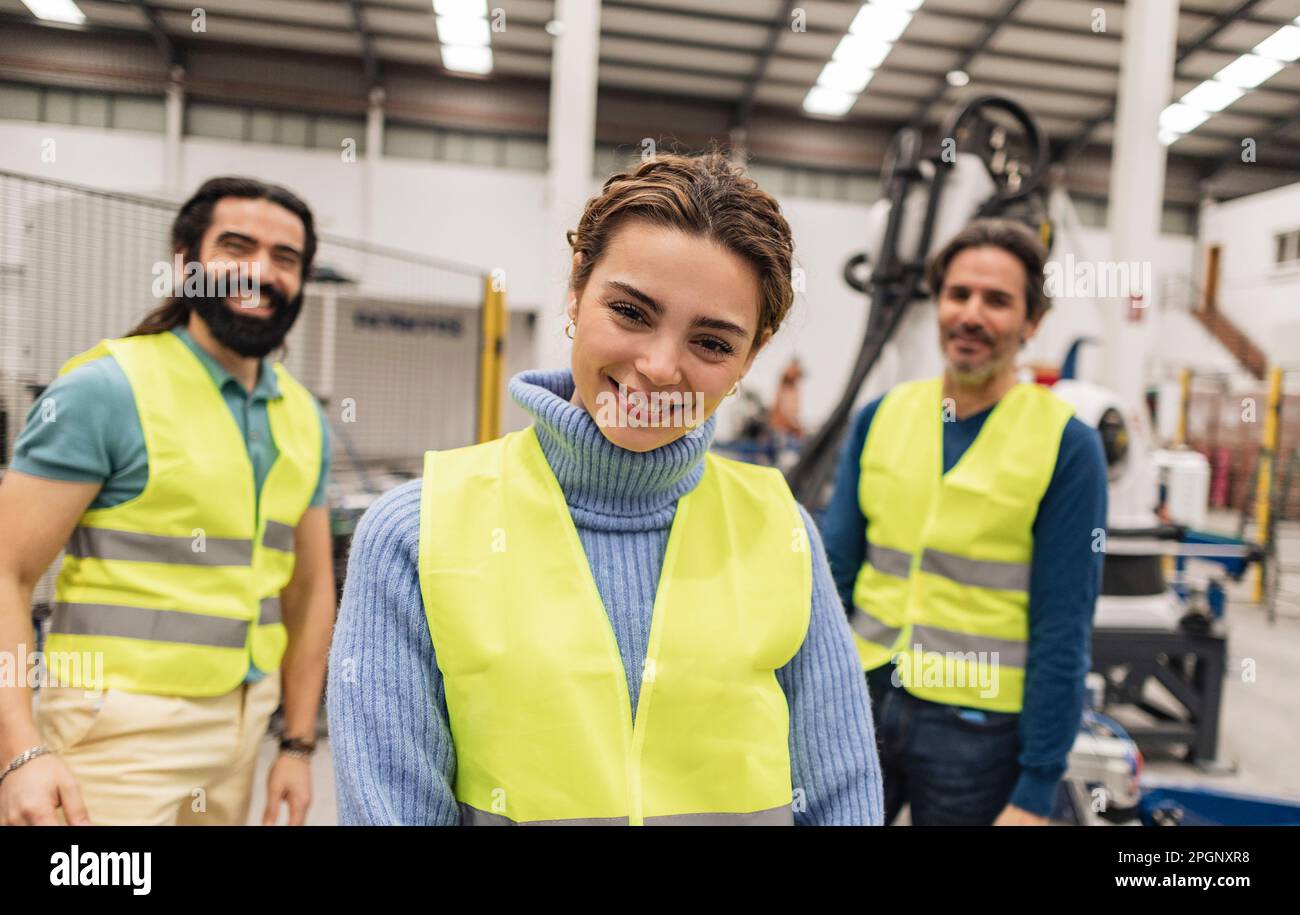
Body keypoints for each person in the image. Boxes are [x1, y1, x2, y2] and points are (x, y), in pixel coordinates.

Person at [328, 152, 882, 825]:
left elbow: (841, 794)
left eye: (711, 343)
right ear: (575, 289)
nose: (658, 366)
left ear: (751, 358)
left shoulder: (782, 529)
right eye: (630, 311)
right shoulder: (417, 533)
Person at [0, 177, 335, 826]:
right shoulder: (106, 389)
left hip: (241, 736)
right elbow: (7, 569)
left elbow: (311, 587)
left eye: (285, 259)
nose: (260, 272)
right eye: (236, 247)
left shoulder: (303, 415)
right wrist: (19, 750)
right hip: (112, 732)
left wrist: (296, 742)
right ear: (186, 263)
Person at [820, 219, 1108, 826]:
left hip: (977, 732)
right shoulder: (882, 416)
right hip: (862, 701)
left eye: (997, 300)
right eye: (959, 295)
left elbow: (1063, 627)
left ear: (1032, 323)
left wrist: (1036, 788)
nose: (971, 314)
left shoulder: (1067, 446)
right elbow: (831, 575)